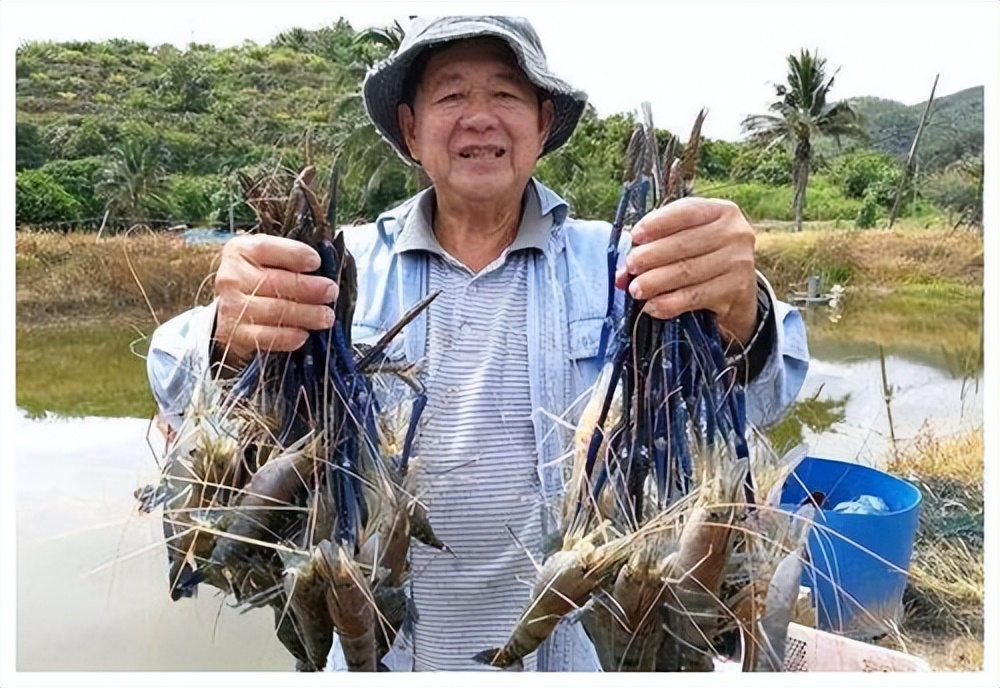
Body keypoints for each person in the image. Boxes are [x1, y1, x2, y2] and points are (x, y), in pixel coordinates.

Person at [147, 16, 810, 672]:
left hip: (586, 657)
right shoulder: (335, 266)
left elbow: (772, 393)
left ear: (543, 122)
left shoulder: (630, 263)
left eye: (505, 93)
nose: (479, 116)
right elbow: (173, 380)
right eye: (452, 95)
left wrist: (740, 310)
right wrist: (228, 336)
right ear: (410, 128)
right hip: (382, 655)